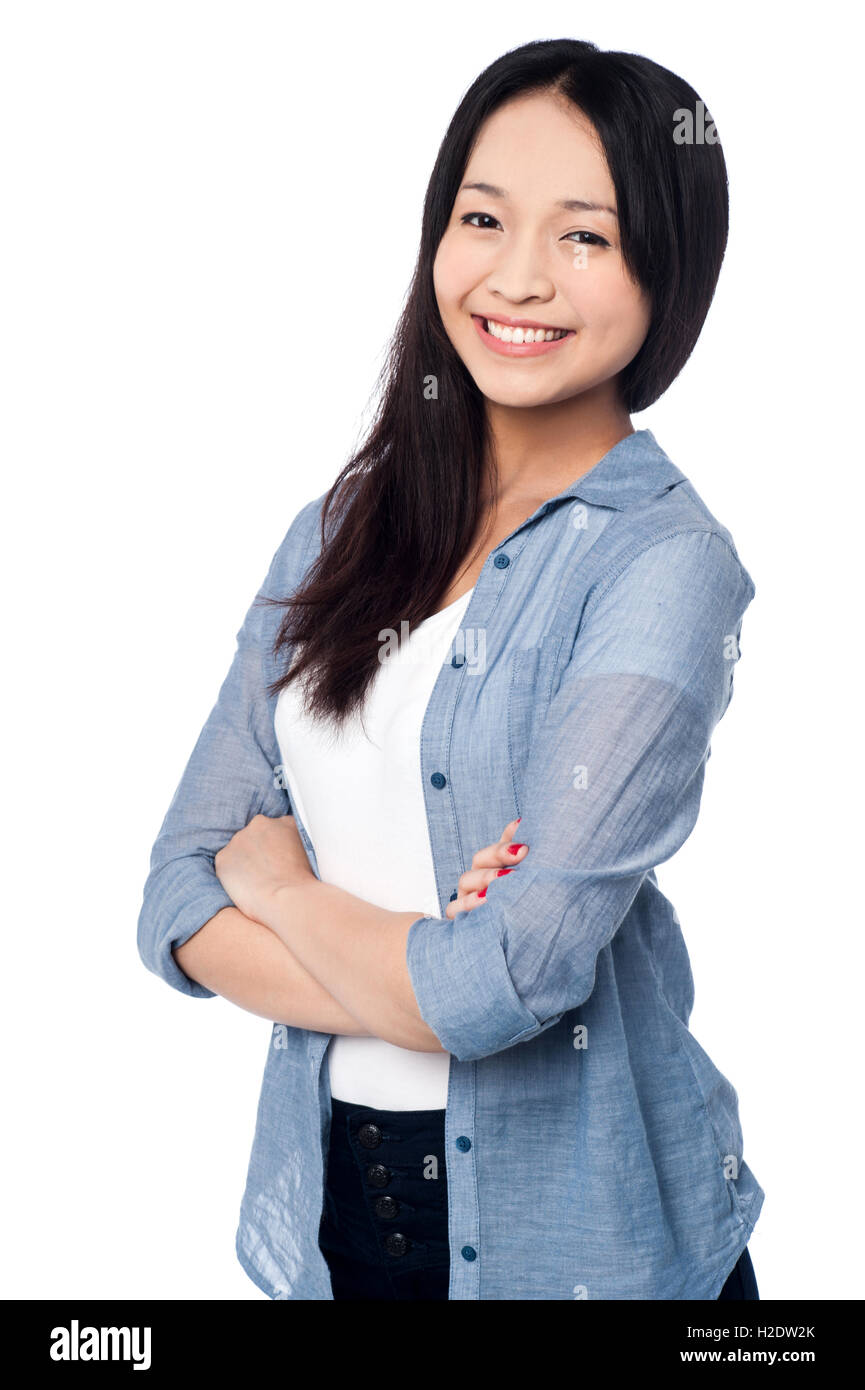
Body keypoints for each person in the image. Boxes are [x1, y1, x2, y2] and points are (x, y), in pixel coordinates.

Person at [138, 37, 764, 1300]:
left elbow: (507, 985)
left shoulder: (663, 566)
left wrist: (288, 889)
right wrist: (427, 966)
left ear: (666, 266)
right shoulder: (339, 528)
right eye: (484, 218)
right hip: (336, 1214)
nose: (518, 276)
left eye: (585, 236)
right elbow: (172, 902)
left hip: (585, 1242)